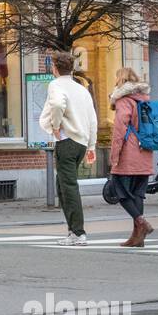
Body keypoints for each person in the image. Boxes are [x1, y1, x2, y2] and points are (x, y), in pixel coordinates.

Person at [38, 51, 98, 246]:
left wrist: (55, 127)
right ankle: (73, 231)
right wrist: (91, 145)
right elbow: (92, 119)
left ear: (55, 68)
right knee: (62, 185)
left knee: (68, 187)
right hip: (81, 142)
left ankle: (78, 233)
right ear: (71, 68)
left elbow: (56, 104)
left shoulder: (56, 85)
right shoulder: (81, 89)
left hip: (67, 141)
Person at [108, 67, 155, 247]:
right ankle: (138, 238)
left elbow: (119, 130)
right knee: (137, 195)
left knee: (119, 191)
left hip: (129, 154)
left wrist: (114, 156)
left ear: (120, 81)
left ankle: (142, 223)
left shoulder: (124, 101)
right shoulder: (145, 100)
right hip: (146, 153)